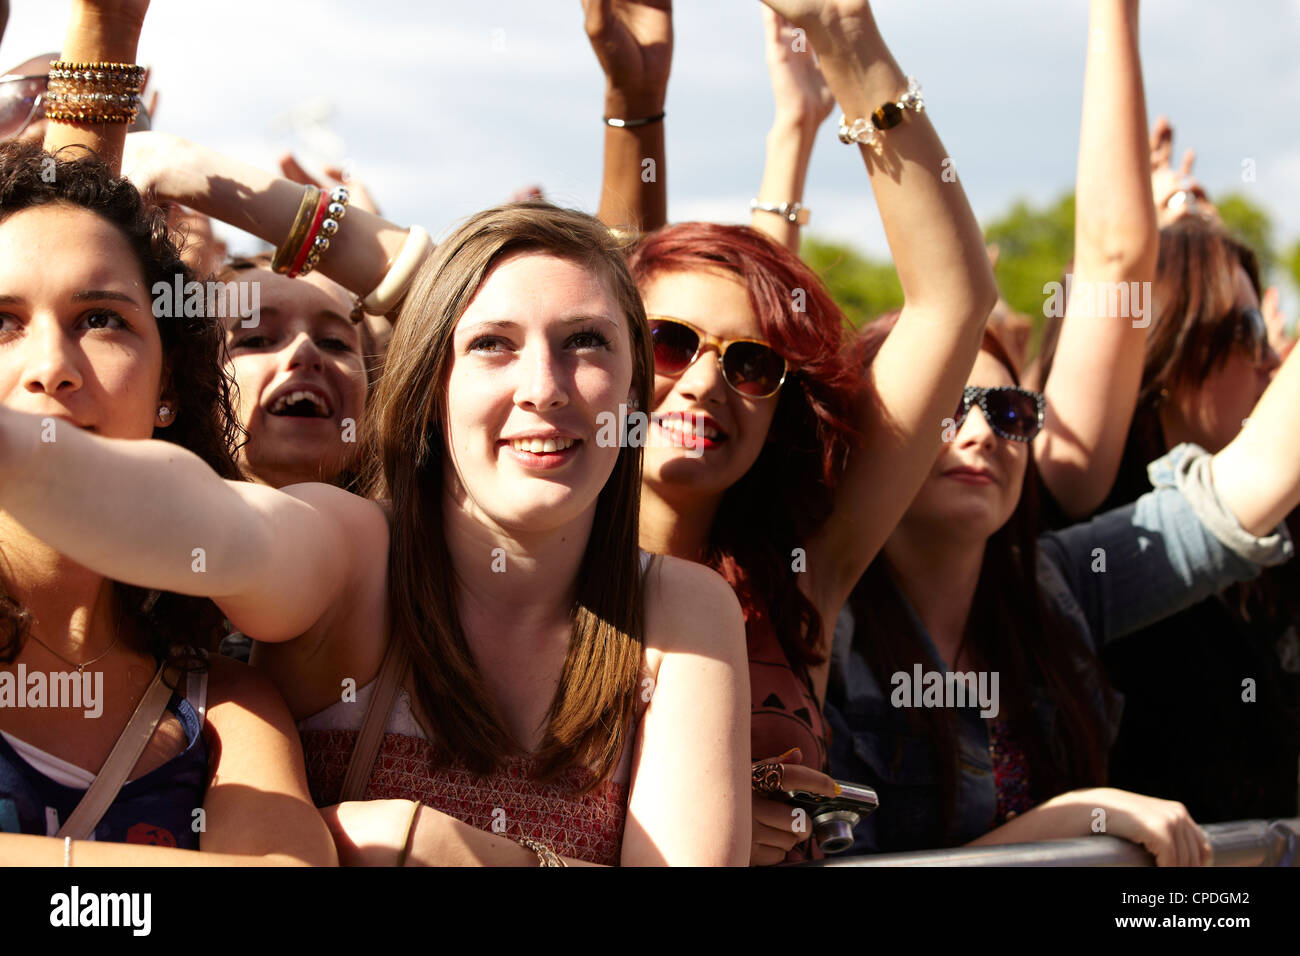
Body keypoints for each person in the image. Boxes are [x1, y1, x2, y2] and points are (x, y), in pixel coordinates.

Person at [0, 197, 751, 866]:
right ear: (430, 393)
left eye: (585, 342)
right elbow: (215, 523)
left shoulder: (683, 612)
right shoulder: (356, 553)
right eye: (493, 344)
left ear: (631, 391)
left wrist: (474, 855)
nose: (544, 389)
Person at [587, 0, 998, 863]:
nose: (703, 383)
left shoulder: (801, 579)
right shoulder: (520, 552)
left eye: (751, 365)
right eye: (669, 344)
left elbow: (953, 299)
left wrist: (847, 36)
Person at [827, 316, 1299, 865]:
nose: (982, 433)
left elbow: (1256, 482)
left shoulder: (1057, 585)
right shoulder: (821, 630)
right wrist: (1072, 820)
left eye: (1009, 412)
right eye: (946, 406)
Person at [0, 142, 335, 865]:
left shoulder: (225, 707)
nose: (51, 367)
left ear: (168, 388)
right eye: (2, 322)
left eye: (101, 320)